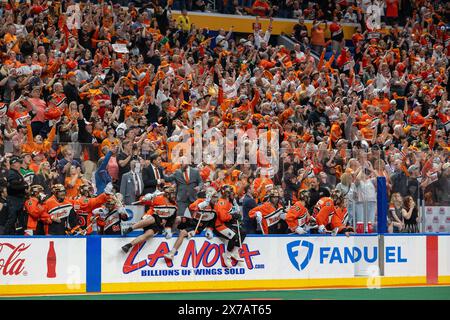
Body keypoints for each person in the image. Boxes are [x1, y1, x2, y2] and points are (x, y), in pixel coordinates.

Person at [164, 187, 219, 261]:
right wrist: (203, 204)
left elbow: (215, 219)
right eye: (214, 197)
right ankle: (171, 233)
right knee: (178, 219)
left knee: (183, 233)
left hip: (198, 226)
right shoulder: (201, 201)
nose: (216, 199)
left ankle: (172, 253)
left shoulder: (217, 206)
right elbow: (191, 207)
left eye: (216, 197)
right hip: (192, 221)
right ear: (208, 196)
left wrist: (209, 230)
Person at [121, 185, 178, 253]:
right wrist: (146, 197)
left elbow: (171, 219)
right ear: (167, 194)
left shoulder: (174, 205)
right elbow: (142, 201)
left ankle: (129, 245)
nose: (174, 196)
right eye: (172, 194)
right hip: (150, 218)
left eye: (174, 193)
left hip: (158, 224)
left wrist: (168, 228)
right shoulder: (158, 198)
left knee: (149, 234)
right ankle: (130, 229)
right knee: (151, 219)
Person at [214, 185, 246, 268]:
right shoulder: (221, 202)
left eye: (231, 192)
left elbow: (236, 214)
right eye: (228, 192)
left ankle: (235, 251)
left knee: (242, 232)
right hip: (219, 225)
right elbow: (223, 217)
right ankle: (227, 256)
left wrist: (236, 215)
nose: (230, 194)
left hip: (226, 224)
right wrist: (233, 216)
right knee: (233, 236)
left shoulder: (230, 202)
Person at [4, 156, 28, 235]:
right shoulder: (12, 173)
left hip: (18, 199)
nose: (19, 164)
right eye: (17, 163)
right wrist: (25, 186)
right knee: (12, 219)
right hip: (14, 199)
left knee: (19, 219)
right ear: (13, 164)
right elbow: (13, 186)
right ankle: (4, 237)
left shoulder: (16, 172)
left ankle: (17, 235)